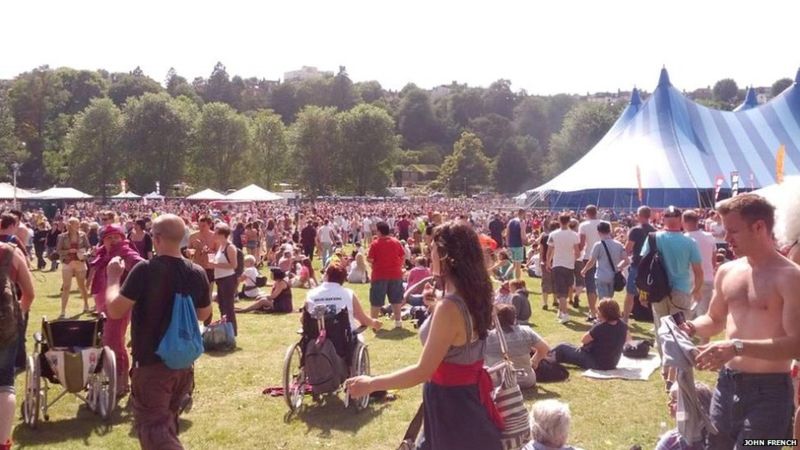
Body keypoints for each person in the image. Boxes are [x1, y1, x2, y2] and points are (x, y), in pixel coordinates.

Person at [345, 221, 503, 449]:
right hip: (465, 401)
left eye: (433, 249)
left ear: (447, 256)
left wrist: (371, 384)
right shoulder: (474, 294)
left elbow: (422, 371)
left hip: (453, 408)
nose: (429, 254)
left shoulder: (450, 307)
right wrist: (436, 304)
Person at [681, 194, 799, 448]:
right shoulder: (728, 271)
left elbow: (796, 345)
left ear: (759, 227)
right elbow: (714, 319)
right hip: (726, 385)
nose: (726, 238)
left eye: (733, 231)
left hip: (770, 394)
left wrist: (736, 347)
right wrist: (689, 327)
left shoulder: (791, 277)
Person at [105, 214, 212, 450]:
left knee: (155, 434)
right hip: (183, 365)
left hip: (152, 364)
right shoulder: (197, 272)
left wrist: (113, 278)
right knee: (168, 425)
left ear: (156, 238)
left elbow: (114, 309)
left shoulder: (145, 270)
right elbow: (204, 314)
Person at [640, 206, 702, 386]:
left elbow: (643, 266)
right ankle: (674, 371)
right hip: (681, 290)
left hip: (657, 290)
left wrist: (643, 292)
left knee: (661, 329)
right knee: (679, 330)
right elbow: (698, 271)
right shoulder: (689, 242)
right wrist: (696, 289)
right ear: (680, 220)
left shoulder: (653, 238)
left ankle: (666, 367)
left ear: (663, 219)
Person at [88, 224, 144, 397]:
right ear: (103, 240)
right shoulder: (103, 254)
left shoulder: (125, 252)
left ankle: (120, 382)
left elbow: (141, 265)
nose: (113, 240)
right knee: (110, 341)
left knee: (114, 342)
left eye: (116, 237)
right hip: (103, 304)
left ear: (122, 238)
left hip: (118, 303)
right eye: (109, 237)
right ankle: (119, 380)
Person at [0, 239, 35, 450]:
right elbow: (29, 294)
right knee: (5, 382)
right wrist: (17, 316)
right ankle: (2, 442)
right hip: (5, 327)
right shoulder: (10, 252)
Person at [550, 299, 628, 370]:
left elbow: (584, 340)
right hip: (612, 363)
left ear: (604, 313)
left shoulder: (600, 327)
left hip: (595, 362)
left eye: (599, 311)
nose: (597, 312)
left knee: (562, 347)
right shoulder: (623, 325)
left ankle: (545, 358)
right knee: (567, 346)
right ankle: (552, 358)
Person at [485, 304, 550, 389]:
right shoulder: (526, 331)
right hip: (526, 380)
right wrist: (535, 361)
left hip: (499, 382)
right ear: (514, 317)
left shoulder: (488, 337)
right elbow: (545, 348)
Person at [304, 263, 382, 333]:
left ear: (326, 276)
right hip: (343, 338)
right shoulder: (348, 294)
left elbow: (304, 319)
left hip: (315, 336)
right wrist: (374, 323)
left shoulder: (311, 294)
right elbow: (363, 319)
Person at [367, 221, 405, 328]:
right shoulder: (396, 242)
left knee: (376, 300)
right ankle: (398, 321)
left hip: (379, 275)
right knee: (396, 299)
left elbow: (370, 259)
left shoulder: (375, 243)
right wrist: (399, 266)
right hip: (395, 274)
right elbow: (402, 256)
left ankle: (374, 322)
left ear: (379, 231)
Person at [681, 210, 716, 324]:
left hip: (689, 279)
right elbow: (713, 259)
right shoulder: (709, 237)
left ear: (683, 221)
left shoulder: (684, 239)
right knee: (704, 314)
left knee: (687, 314)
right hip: (708, 277)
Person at [655, 382, 713, 450]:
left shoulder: (671, 442)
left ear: (691, 407)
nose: (669, 403)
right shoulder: (715, 435)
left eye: (675, 400)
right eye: (670, 399)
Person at [580, 221, 628, 300]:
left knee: (603, 301)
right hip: (613, 276)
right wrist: (618, 267)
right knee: (609, 299)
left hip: (601, 276)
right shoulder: (619, 244)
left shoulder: (598, 245)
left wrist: (584, 270)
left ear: (599, 232)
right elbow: (626, 261)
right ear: (610, 231)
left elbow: (592, 261)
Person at [623, 206, 656, 322]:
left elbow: (627, 249)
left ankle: (625, 319)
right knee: (648, 293)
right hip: (650, 266)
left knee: (630, 294)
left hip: (637, 265)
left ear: (639, 215)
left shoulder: (635, 230)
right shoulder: (654, 230)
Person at [547, 214, 580, 324]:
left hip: (557, 264)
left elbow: (549, 251)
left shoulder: (553, 234)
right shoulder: (574, 235)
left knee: (561, 291)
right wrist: (573, 259)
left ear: (559, 221)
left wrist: (548, 262)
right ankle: (561, 311)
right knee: (566, 288)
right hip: (569, 265)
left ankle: (565, 314)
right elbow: (577, 252)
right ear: (569, 221)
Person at [57, 217, 92, 318]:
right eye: (76, 224)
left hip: (80, 262)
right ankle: (63, 311)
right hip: (67, 262)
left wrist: (85, 254)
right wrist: (68, 251)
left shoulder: (83, 235)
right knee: (66, 287)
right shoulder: (62, 236)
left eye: (78, 223)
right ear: (70, 225)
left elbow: (88, 247)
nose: (78, 225)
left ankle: (86, 305)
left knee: (82, 286)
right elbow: (58, 250)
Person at [210, 224, 239, 336]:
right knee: (222, 305)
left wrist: (215, 265)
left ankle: (232, 332)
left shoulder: (230, 247)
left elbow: (233, 265)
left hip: (228, 279)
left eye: (216, 232)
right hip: (220, 279)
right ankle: (225, 329)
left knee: (228, 306)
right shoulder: (221, 247)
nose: (214, 234)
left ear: (222, 234)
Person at [576, 205, 602, 319]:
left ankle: (592, 312)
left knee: (590, 285)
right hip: (602, 256)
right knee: (601, 285)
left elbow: (581, 244)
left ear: (586, 213)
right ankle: (600, 311)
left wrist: (576, 252)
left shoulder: (583, 225)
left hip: (588, 256)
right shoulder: (605, 223)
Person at [539, 221, 559, 310]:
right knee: (555, 281)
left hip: (545, 261)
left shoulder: (544, 237)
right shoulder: (558, 237)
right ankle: (555, 300)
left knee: (545, 282)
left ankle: (545, 303)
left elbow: (541, 251)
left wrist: (541, 261)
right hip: (556, 262)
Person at [506, 208, 528, 280]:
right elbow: (522, 235)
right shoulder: (522, 222)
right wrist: (526, 240)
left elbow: (507, 233)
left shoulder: (511, 221)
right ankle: (517, 281)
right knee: (518, 265)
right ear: (523, 213)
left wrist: (507, 244)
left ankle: (504, 277)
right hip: (518, 245)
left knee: (514, 264)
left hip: (511, 244)